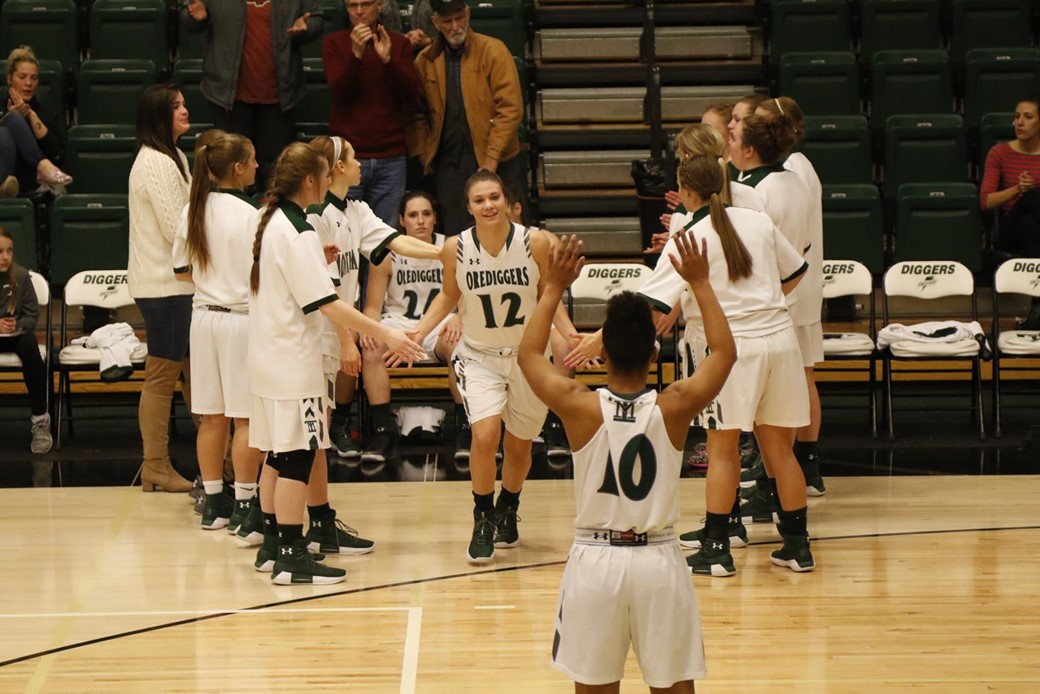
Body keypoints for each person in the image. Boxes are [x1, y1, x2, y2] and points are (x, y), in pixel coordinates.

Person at [519, 233, 735, 693]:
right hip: (658, 558)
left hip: (596, 560)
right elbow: (725, 354)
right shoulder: (674, 406)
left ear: (603, 354)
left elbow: (528, 356)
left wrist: (553, 287)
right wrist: (699, 282)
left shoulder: (579, 405)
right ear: (654, 354)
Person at [248, 141, 425, 584]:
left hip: (267, 356)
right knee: (296, 458)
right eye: (325, 175)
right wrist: (385, 333)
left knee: (276, 453)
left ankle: (272, 545)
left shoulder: (271, 219)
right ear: (311, 180)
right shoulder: (300, 231)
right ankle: (291, 551)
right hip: (295, 359)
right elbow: (329, 304)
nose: (329, 182)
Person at [639, 154, 814, 576]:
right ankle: (797, 547)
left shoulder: (689, 233)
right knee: (780, 451)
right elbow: (797, 271)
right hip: (780, 340)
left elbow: (653, 303)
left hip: (733, 349)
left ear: (685, 190)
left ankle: (717, 547)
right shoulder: (756, 220)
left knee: (722, 450)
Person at [403, 170, 578, 563]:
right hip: (479, 355)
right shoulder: (455, 248)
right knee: (485, 435)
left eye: (494, 197)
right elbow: (449, 295)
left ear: (506, 200)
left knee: (519, 446)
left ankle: (508, 506)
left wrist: (570, 335)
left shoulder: (535, 242)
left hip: (528, 358)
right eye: (480, 200)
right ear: (468, 207)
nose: (488, 205)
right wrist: (419, 332)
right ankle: (482, 516)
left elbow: (549, 295)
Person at [307, 136, 440, 472]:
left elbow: (397, 241)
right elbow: (328, 291)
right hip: (312, 329)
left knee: (315, 436)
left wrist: (445, 252)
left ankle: (317, 507)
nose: (360, 164)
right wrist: (344, 339)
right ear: (338, 167)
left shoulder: (357, 209)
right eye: (353, 158)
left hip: (337, 322)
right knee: (305, 438)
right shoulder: (316, 215)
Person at [728, 99, 817, 522]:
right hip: (788, 306)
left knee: (738, 431)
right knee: (776, 432)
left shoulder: (754, 192)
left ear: (748, 150)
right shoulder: (795, 180)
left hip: (760, 315)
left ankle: (726, 526)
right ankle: (788, 526)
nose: (727, 142)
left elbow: (750, 256)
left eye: (732, 136)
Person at [172, 131, 265, 530]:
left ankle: (213, 503)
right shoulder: (251, 215)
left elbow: (181, 273)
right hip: (240, 319)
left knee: (211, 418)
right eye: (254, 160)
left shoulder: (192, 209)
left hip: (203, 318)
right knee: (245, 419)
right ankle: (245, 504)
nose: (258, 167)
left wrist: (213, 281)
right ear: (238, 167)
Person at [359, 190, 469, 459]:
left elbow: (467, 293)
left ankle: (465, 428)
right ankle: (383, 430)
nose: (420, 220)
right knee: (371, 347)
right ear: (401, 220)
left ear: (434, 219)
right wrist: (369, 327)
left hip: (440, 326)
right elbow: (373, 307)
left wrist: (459, 317)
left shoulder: (451, 248)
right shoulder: (386, 253)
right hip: (398, 326)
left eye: (426, 214)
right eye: (413, 215)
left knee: (460, 347)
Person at [756, 95, 826, 496]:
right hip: (803, 282)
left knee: (800, 379)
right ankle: (805, 466)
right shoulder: (800, 168)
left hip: (793, 285)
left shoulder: (791, 170)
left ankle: (801, 464)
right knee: (803, 376)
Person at [128, 83, 195, 494]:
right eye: (176, 107)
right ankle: (154, 465)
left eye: (184, 104)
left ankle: (222, 462)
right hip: (164, 285)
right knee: (163, 375)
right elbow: (178, 229)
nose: (186, 111)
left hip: (178, 285)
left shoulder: (176, 157)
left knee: (195, 373)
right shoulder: (155, 162)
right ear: (159, 116)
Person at [409, 0, 524, 236]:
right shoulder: (424, 61)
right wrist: (423, 153)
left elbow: (510, 109)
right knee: (457, 236)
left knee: (507, 231)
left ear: (468, 14)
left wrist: (492, 158)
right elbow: (415, 113)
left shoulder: (494, 50)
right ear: (435, 23)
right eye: (447, 21)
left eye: (459, 18)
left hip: (497, 159)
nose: (454, 26)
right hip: (448, 164)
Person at [179, 0, 323, 189]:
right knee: (231, 173)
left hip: (279, 101)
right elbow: (188, 17)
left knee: (276, 177)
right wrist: (194, 18)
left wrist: (307, 27)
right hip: (229, 100)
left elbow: (316, 18)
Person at [323, 0, 419, 226]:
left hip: (391, 157)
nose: (358, 12)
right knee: (344, 232)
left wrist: (388, 62)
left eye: (365, 4)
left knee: (384, 237)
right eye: (351, 6)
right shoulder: (334, 43)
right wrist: (355, 56)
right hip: (348, 157)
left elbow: (411, 94)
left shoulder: (399, 44)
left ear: (380, 6)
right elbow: (338, 93)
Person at [981, 94, 1040, 329]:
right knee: (1033, 196)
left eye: (1028, 117)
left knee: (1030, 225)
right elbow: (985, 201)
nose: (1019, 122)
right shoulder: (999, 153)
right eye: (1016, 117)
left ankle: (1036, 311)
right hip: (1009, 231)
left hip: (1032, 231)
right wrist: (1017, 189)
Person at [0, 227, 51, 453]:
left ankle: (40, 422)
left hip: (15, 335)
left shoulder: (20, 276)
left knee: (31, 348)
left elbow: (32, 316)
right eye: (0, 251)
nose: (5, 257)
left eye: (9, 251)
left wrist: (17, 325)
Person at [1, 45, 72, 197]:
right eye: (22, 77)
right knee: (8, 125)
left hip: (31, 181)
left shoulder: (45, 112)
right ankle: (42, 166)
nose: (28, 83)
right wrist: (9, 118)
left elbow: (56, 153)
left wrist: (31, 115)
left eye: (34, 78)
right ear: (9, 78)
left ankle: (5, 190)